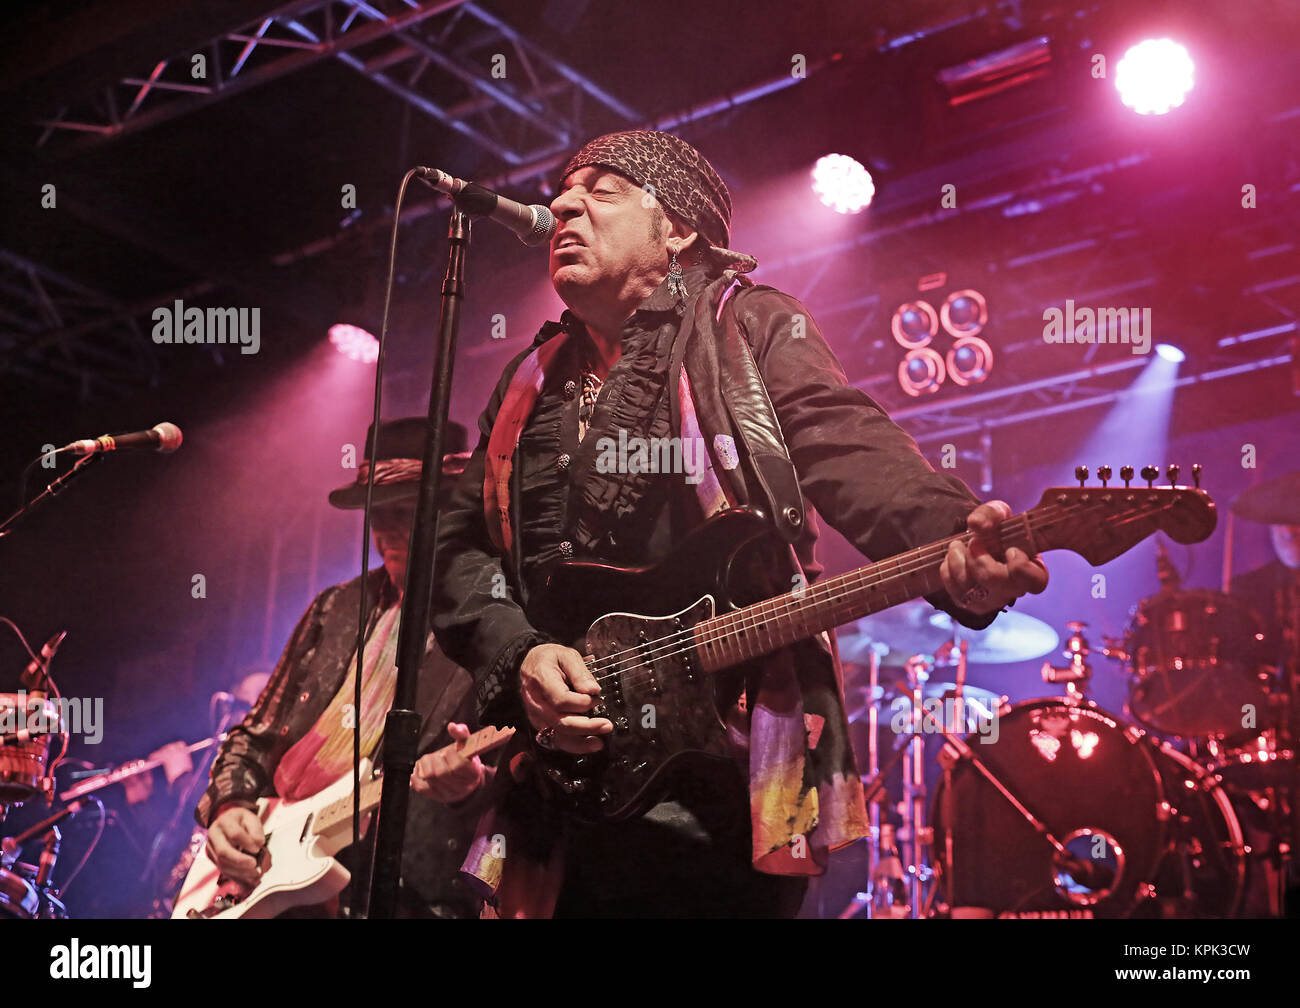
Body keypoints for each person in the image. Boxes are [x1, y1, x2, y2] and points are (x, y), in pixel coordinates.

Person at [431, 130, 1048, 918]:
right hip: (562, 771)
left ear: (679, 229)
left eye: (604, 190)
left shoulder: (745, 327)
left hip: (724, 753)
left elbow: (845, 443)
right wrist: (519, 654)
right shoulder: (529, 380)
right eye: (564, 189)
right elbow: (459, 550)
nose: (562, 204)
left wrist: (954, 529)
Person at [197, 418, 485, 918]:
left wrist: (475, 785)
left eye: (409, 510)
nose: (389, 527)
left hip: (404, 897)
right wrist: (230, 807)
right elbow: (254, 734)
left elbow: (532, 782)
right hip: (279, 870)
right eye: (379, 511)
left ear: (450, 512)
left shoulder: (488, 616)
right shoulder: (334, 607)